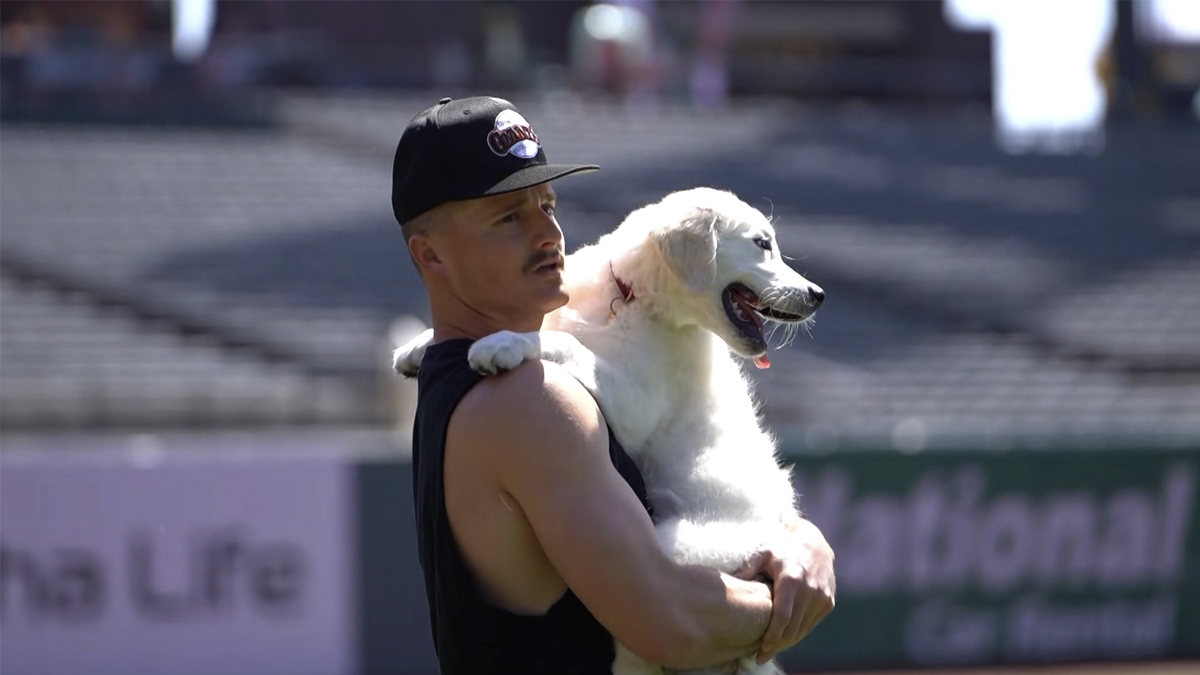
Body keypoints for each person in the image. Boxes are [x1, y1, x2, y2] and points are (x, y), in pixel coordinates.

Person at [392, 95, 835, 674]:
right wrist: (787, 596)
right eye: (509, 217)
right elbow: (670, 621)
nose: (549, 232)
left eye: (547, 204)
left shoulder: (459, 376)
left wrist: (793, 535)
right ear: (431, 256)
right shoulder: (530, 398)